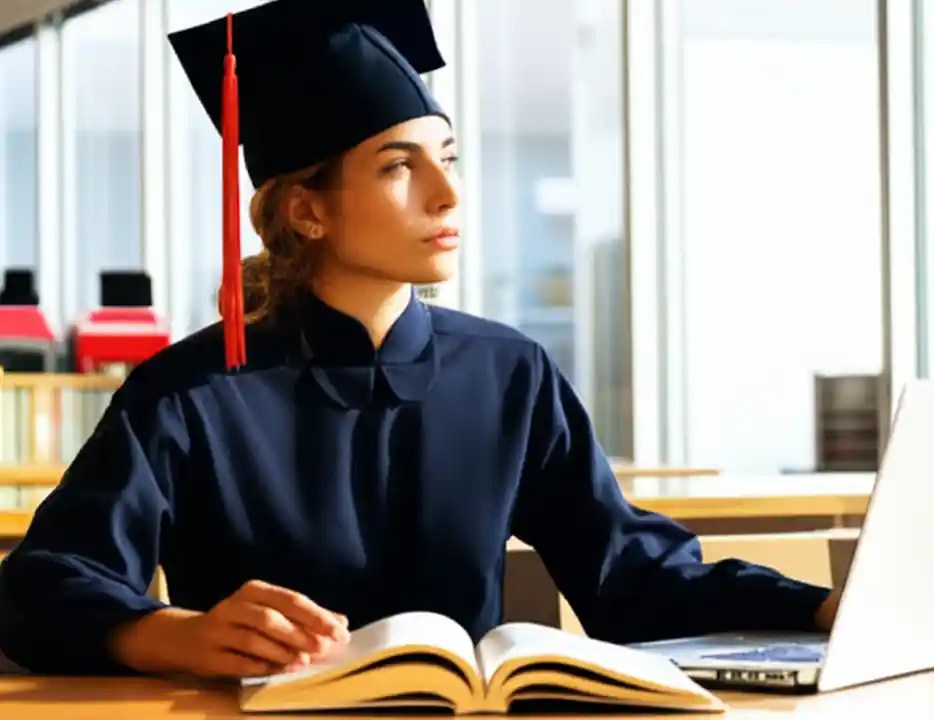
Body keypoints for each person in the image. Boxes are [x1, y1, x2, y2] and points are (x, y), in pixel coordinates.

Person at [0, 0, 835, 678]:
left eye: (449, 158)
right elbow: (39, 587)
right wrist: (178, 634)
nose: (447, 194)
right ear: (307, 210)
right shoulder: (192, 393)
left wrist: (823, 607)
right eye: (399, 166)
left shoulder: (509, 375)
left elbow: (634, 576)